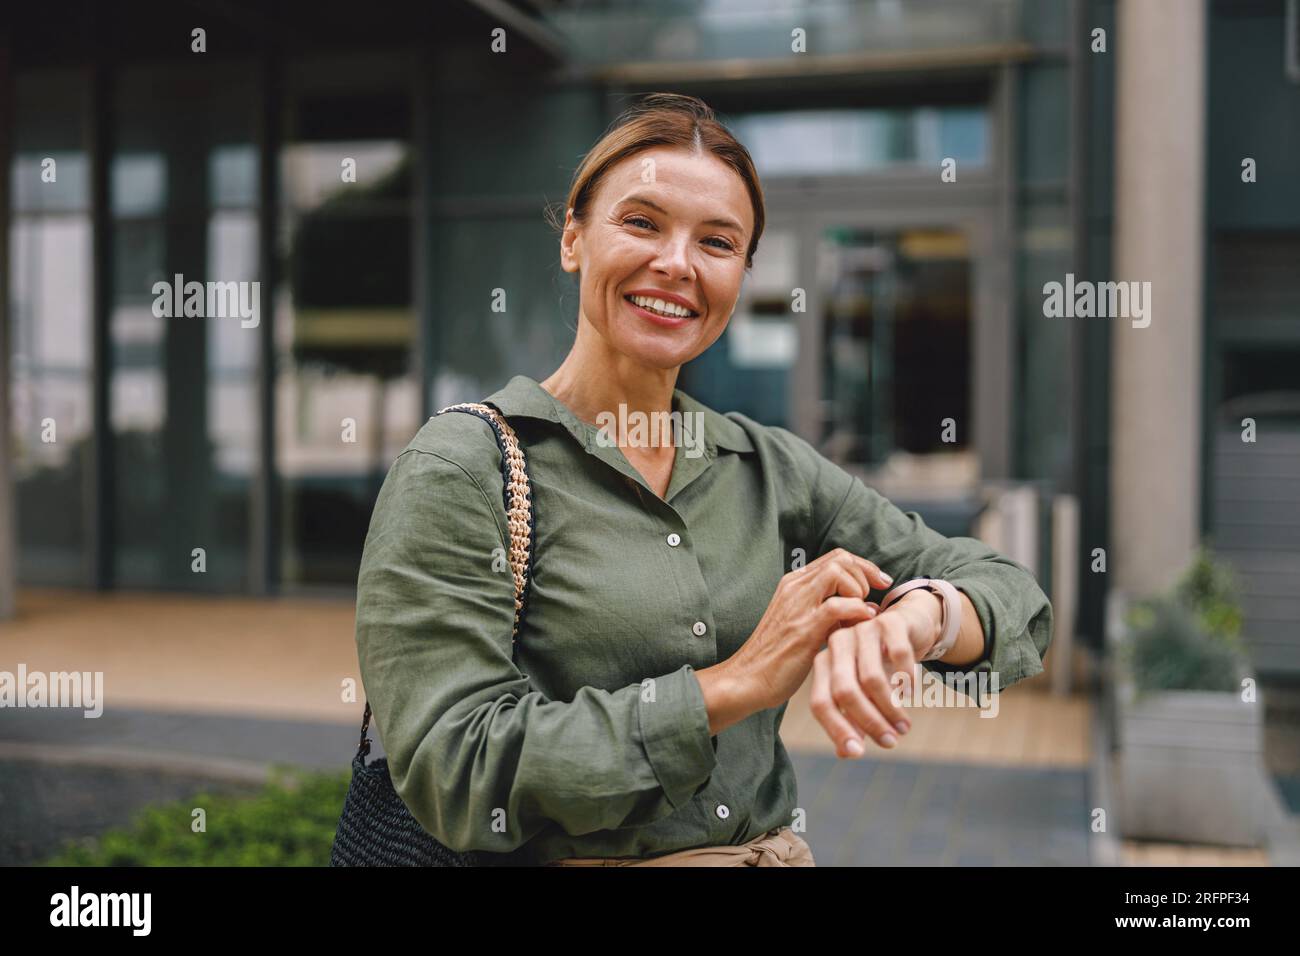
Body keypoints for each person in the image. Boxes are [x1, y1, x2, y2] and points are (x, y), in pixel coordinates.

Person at [354, 93, 1053, 867]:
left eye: (717, 242)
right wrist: (734, 684)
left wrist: (915, 617)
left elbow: (1010, 592)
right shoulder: (463, 467)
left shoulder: (768, 466)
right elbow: (458, 769)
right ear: (575, 238)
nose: (677, 264)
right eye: (642, 223)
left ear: (741, 275)